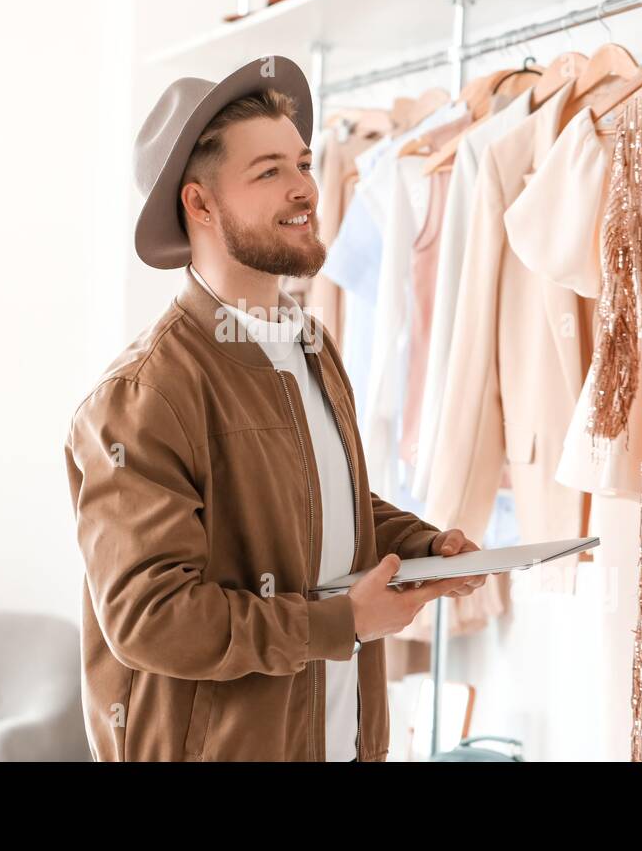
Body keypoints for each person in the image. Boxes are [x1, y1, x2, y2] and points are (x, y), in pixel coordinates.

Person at [65, 54, 491, 762]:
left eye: (301, 164)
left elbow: (319, 501)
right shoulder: (143, 396)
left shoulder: (310, 345)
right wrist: (338, 624)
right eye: (269, 172)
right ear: (198, 204)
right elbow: (151, 617)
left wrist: (420, 549)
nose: (306, 190)